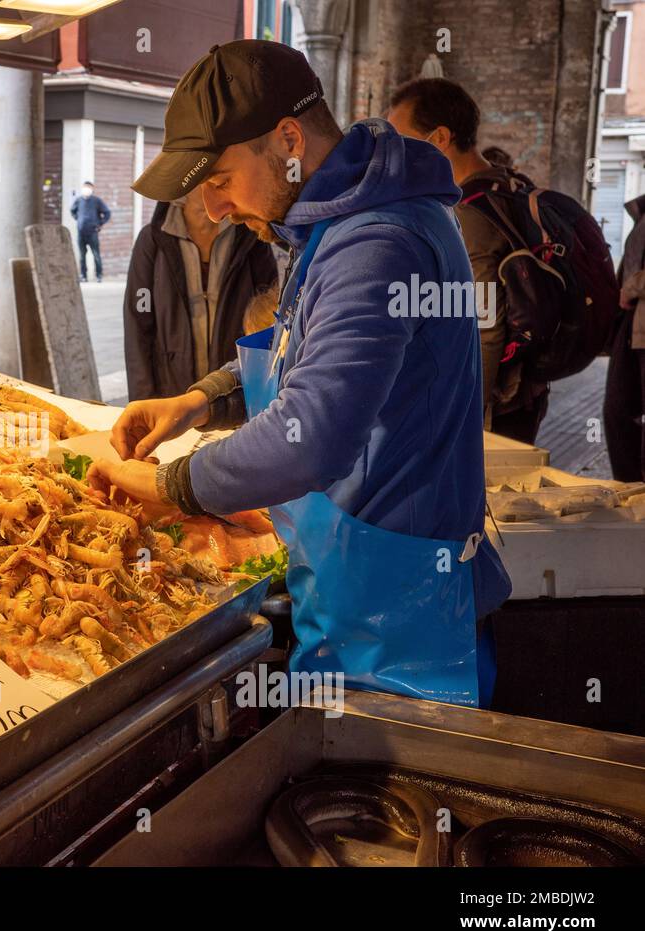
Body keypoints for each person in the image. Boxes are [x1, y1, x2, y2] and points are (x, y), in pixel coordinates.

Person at [89, 40, 511, 707]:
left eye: (220, 180)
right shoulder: (337, 222)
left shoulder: (377, 240)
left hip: (401, 612)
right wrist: (204, 399)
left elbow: (312, 432)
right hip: (355, 580)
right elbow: (309, 352)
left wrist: (171, 484)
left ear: (287, 139)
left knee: (390, 805)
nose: (216, 208)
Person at [387, 78, 548, 443]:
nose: (394, 152)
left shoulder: (471, 215)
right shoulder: (507, 185)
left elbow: (485, 324)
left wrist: (466, 419)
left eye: (400, 139)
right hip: (525, 388)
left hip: (498, 403)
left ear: (439, 138)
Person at [124, 190, 278, 400]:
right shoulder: (153, 241)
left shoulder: (249, 238)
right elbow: (138, 326)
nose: (211, 184)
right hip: (171, 393)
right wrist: (142, 399)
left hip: (233, 390)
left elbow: (268, 316)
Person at [609, 194, 645, 481]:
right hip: (632, 324)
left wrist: (631, 287)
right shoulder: (641, 211)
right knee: (618, 413)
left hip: (637, 316)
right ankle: (631, 493)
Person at [69, 181, 111, 282]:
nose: (86, 189)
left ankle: (99, 275)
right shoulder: (79, 200)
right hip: (81, 232)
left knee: (96, 255)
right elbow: (72, 211)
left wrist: (100, 223)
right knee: (82, 256)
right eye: (85, 187)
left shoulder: (97, 201)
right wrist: (78, 219)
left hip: (93, 232)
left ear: (92, 189)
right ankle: (83, 275)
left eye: (88, 187)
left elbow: (107, 213)